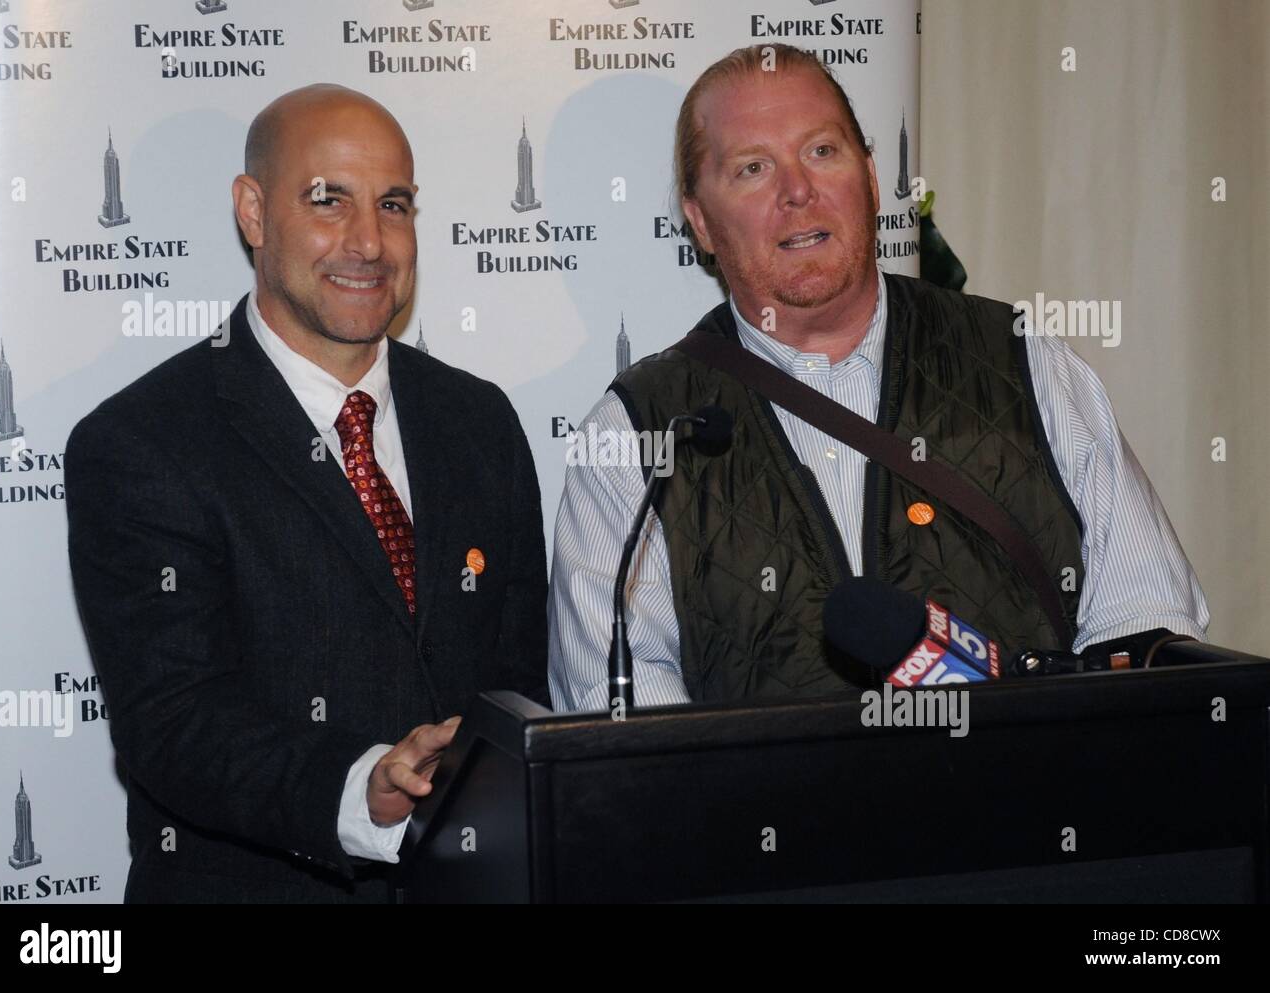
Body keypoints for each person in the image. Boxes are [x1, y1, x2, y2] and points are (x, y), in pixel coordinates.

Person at [548, 44, 1207, 709]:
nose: (797, 190)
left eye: (822, 152)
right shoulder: (636, 435)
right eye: (753, 167)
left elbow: (1146, 628)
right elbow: (626, 736)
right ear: (700, 223)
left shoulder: (1023, 363)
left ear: (868, 173)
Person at [66, 83, 547, 902]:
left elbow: (516, 686)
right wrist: (362, 789)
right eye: (328, 200)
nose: (368, 240)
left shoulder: (480, 422)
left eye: (393, 205)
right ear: (252, 213)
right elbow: (174, 722)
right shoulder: (142, 442)